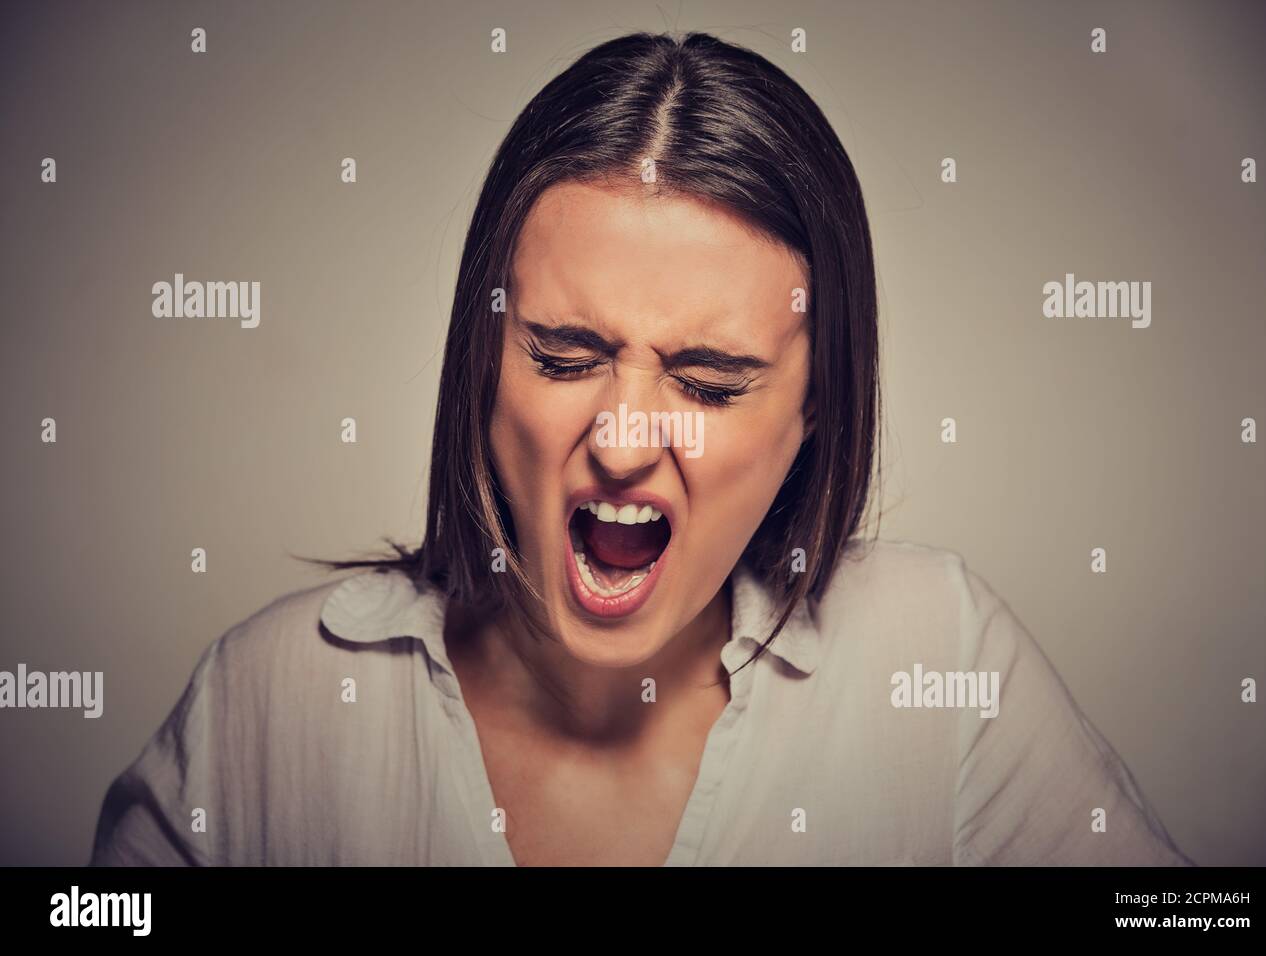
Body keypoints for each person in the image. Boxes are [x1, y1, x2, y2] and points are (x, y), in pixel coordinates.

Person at [90, 31, 1192, 867]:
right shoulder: (270, 700)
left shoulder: (937, 666)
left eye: (709, 383)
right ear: (483, 364)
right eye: (564, 357)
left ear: (816, 414)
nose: (621, 441)